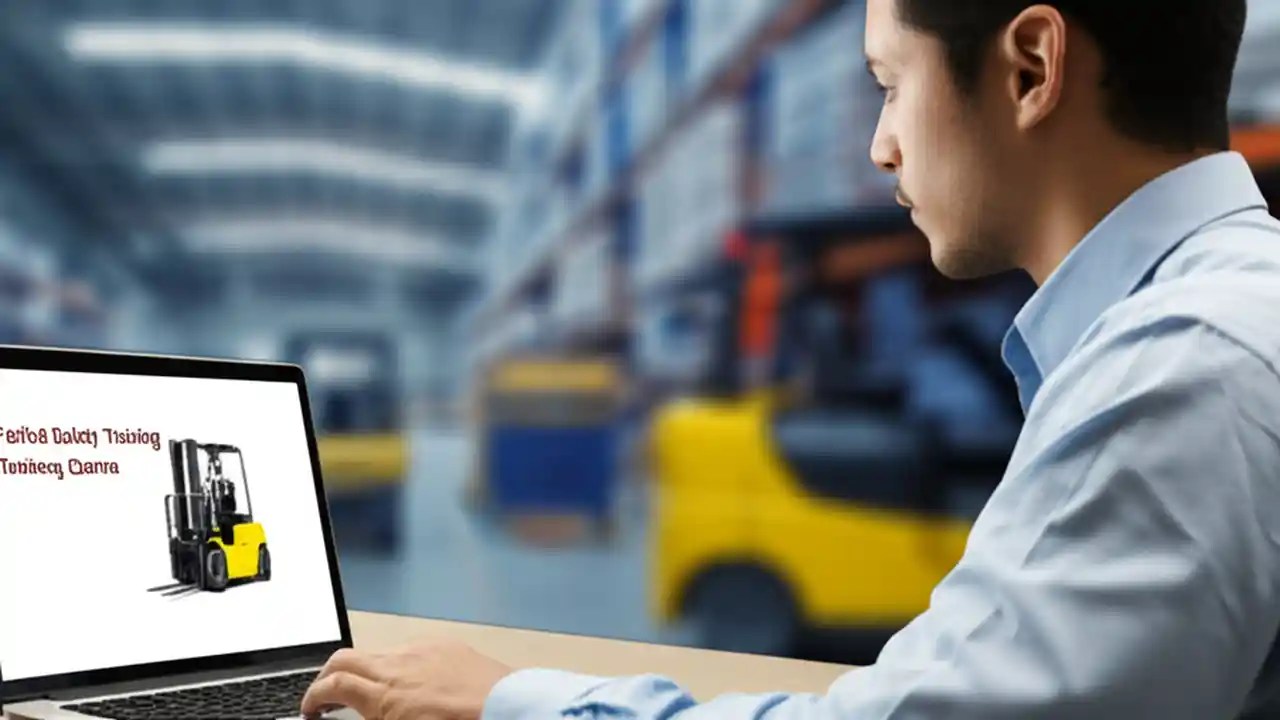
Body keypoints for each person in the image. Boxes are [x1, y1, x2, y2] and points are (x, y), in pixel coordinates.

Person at [301, 0, 1280, 717]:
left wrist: (513, 700)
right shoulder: (1215, 314)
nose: (877, 146)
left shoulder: (1180, 369)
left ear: (1028, 68)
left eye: (889, 87)